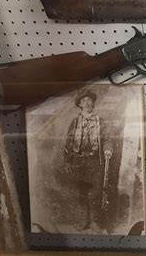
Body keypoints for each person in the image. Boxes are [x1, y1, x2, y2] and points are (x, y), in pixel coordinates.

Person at [63, 90, 112, 231]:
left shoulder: (100, 121)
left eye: (90, 100)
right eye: (84, 101)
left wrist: (108, 149)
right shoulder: (74, 122)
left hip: (94, 161)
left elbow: (107, 138)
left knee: (95, 192)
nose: (88, 103)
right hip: (78, 162)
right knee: (81, 192)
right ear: (79, 104)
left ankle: (94, 222)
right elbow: (68, 142)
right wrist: (67, 161)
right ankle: (84, 221)